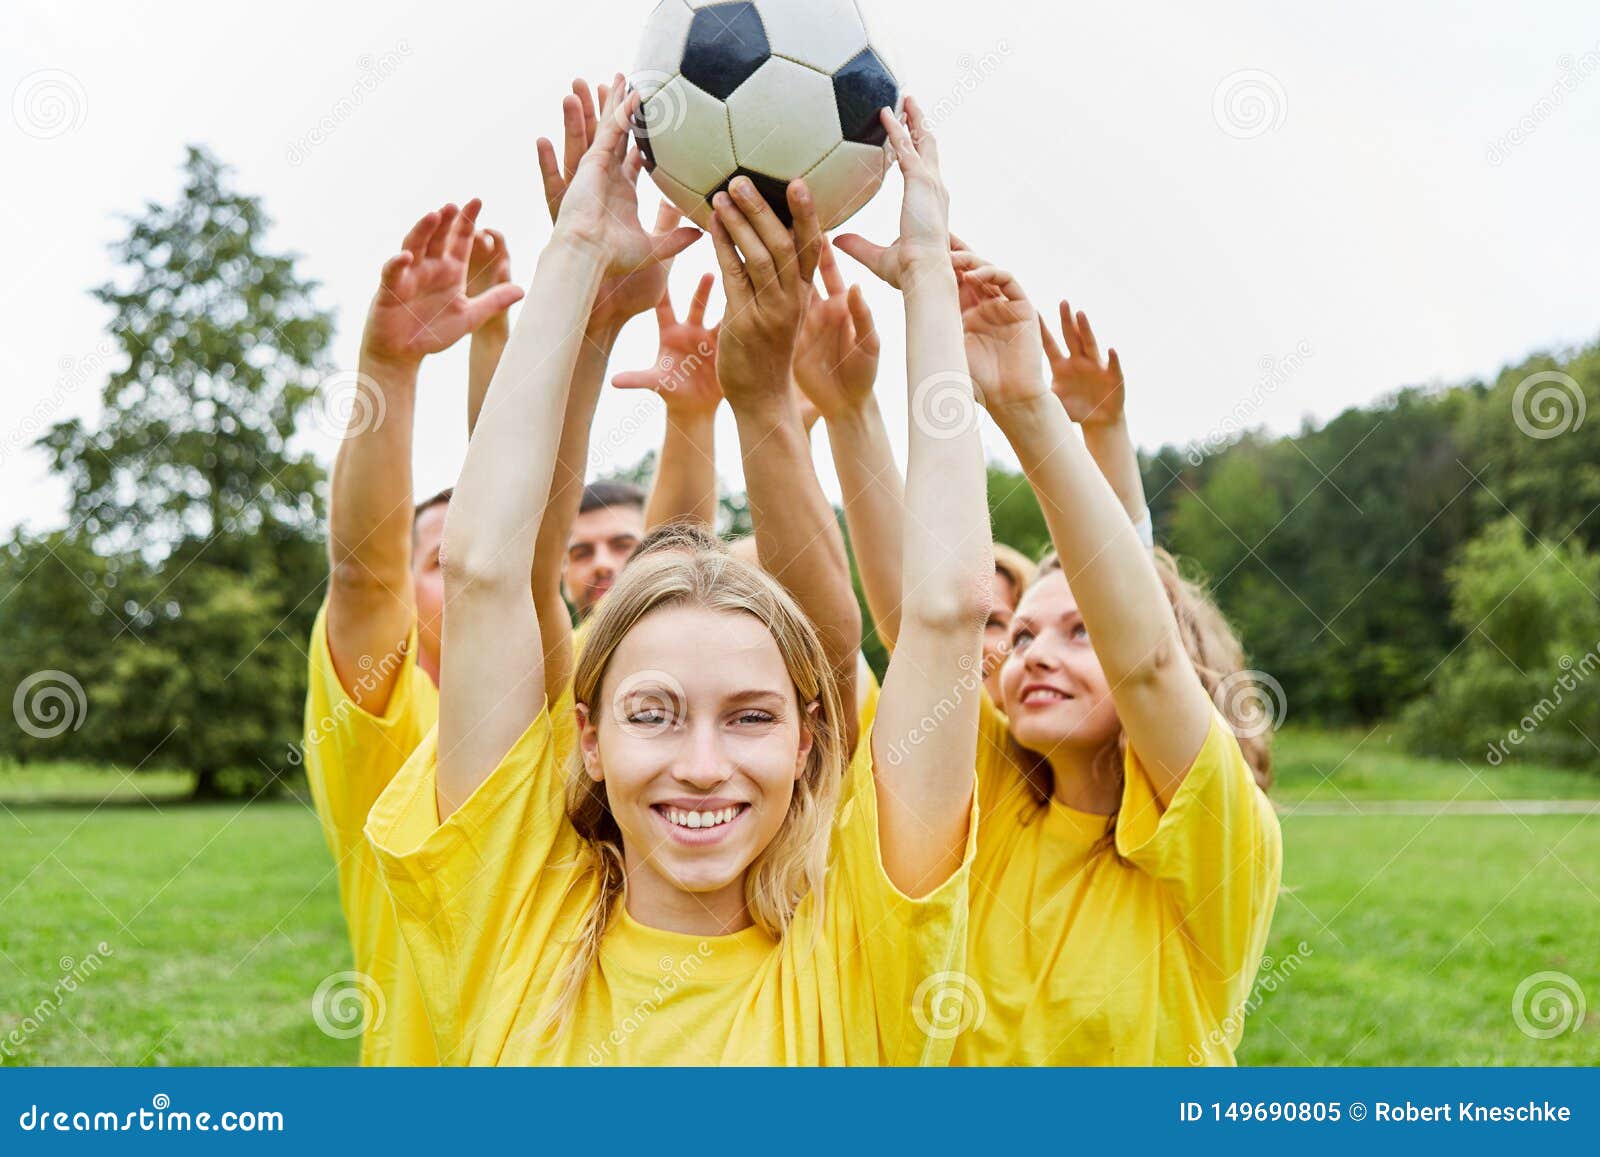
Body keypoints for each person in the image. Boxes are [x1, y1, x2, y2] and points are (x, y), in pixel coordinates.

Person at [365, 88, 985, 1065]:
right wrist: (579, 247)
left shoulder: (864, 945)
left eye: (749, 714)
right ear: (589, 738)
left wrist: (928, 282)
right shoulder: (514, 909)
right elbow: (484, 569)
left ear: (806, 739)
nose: (702, 761)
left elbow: (946, 613)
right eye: (652, 712)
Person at [303, 78, 720, 1065]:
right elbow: (373, 578)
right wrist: (392, 371)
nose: (466, 569)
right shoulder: (385, 725)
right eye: (436, 561)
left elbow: (543, 544)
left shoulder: (575, 697)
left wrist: (581, 325)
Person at [923, 252, 1280, 1064]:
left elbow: (1145, 654)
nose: (1036, 653)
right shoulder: (998, 802)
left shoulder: (1212, 839)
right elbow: (913, 612)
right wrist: (843, 408)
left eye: (1078, 633)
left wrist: (1033, 409)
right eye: (1021, 636)